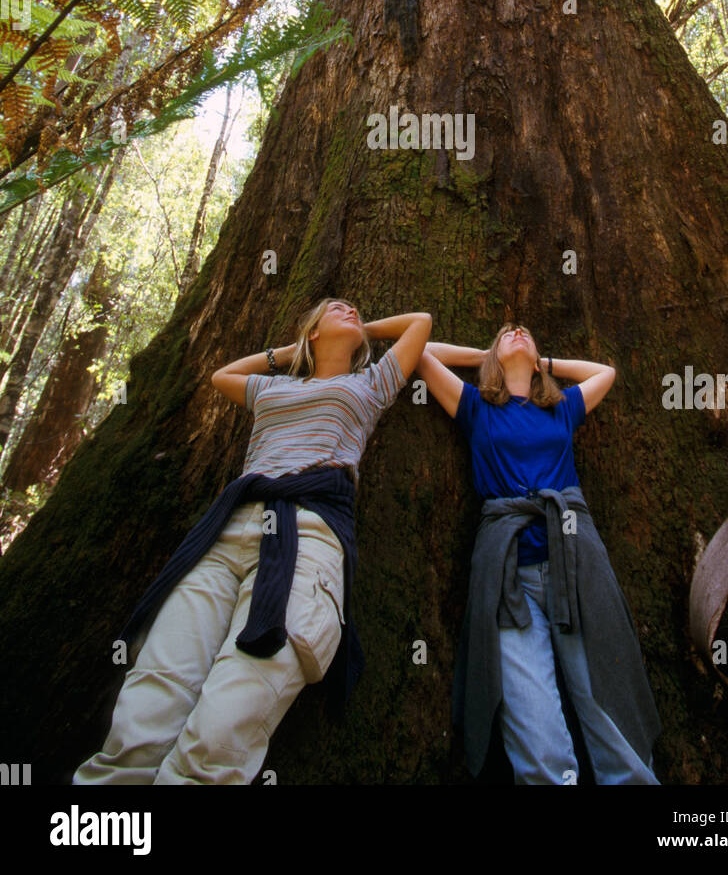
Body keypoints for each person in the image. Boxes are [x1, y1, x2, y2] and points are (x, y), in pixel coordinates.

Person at [73, 298, 431, 785]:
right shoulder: (274, 386)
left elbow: (419, 323)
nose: (348, 308)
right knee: (153, 693)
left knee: (225, 724)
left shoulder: (369, 384)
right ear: (311, 332)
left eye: (353, 308)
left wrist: (353, 328)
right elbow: (222, 376)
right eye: (335, 307)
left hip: (306, 534)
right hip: (225, 534)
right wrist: (292, 350)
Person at [417, 323, 661, 786]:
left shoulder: (560, 409)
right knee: (534, 727)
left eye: (526, 332)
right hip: (510, 577)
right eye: (506, 331)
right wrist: (489, 357)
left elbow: (604, 372)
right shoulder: (476, 407)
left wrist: (540, 364)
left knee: (604, 701)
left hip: (575, 564)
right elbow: (421, 352)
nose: (516, 331)